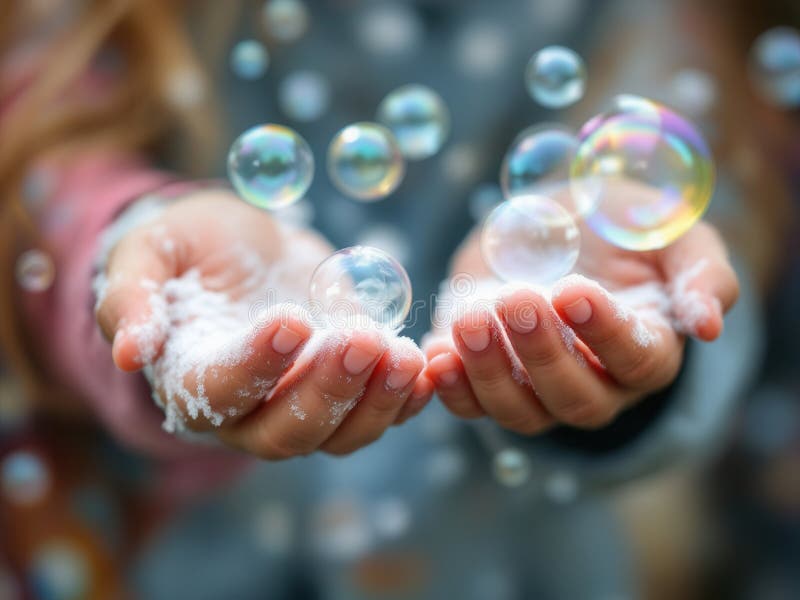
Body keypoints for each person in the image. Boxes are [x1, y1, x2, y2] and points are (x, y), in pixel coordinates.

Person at [0, 0, 791, 598]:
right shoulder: (115, 21)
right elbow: (46, 173)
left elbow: (677, 206)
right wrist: (135, 251)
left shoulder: (644, 23)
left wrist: (624, 344)